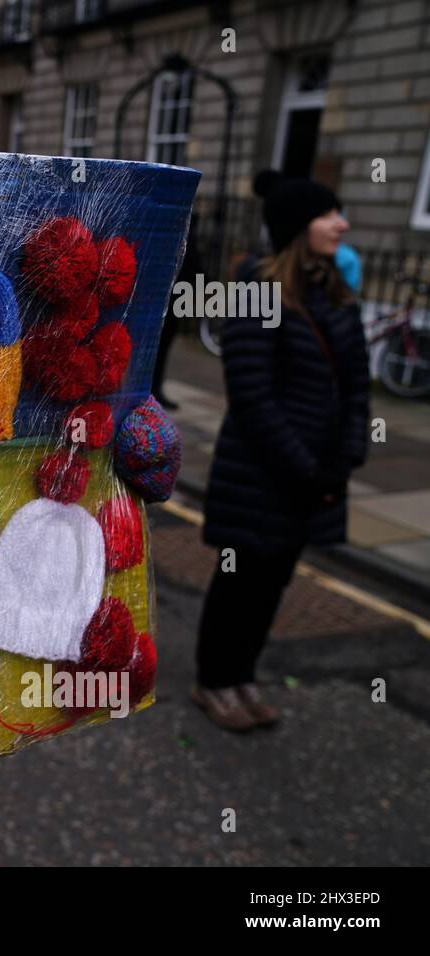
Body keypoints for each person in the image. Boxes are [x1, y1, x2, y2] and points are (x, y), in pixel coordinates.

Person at [193, 171, 370, 732]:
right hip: (263, 475)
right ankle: (214, 682)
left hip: (313, 477)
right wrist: (305, 466)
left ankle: (244, 674)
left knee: (273, 584)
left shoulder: (334, 293)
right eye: (328, 215)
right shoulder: (256, 289)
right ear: (298, 227)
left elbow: (357, 387)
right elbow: (251, 396)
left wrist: (347, 455)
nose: (341, 223)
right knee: (239, 584)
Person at [152, 212, 202, 409]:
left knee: (165, 343)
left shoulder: (188, 224)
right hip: (166, 291)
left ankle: (156, 387)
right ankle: (152, 387)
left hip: (179, 294)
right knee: (156, 344)